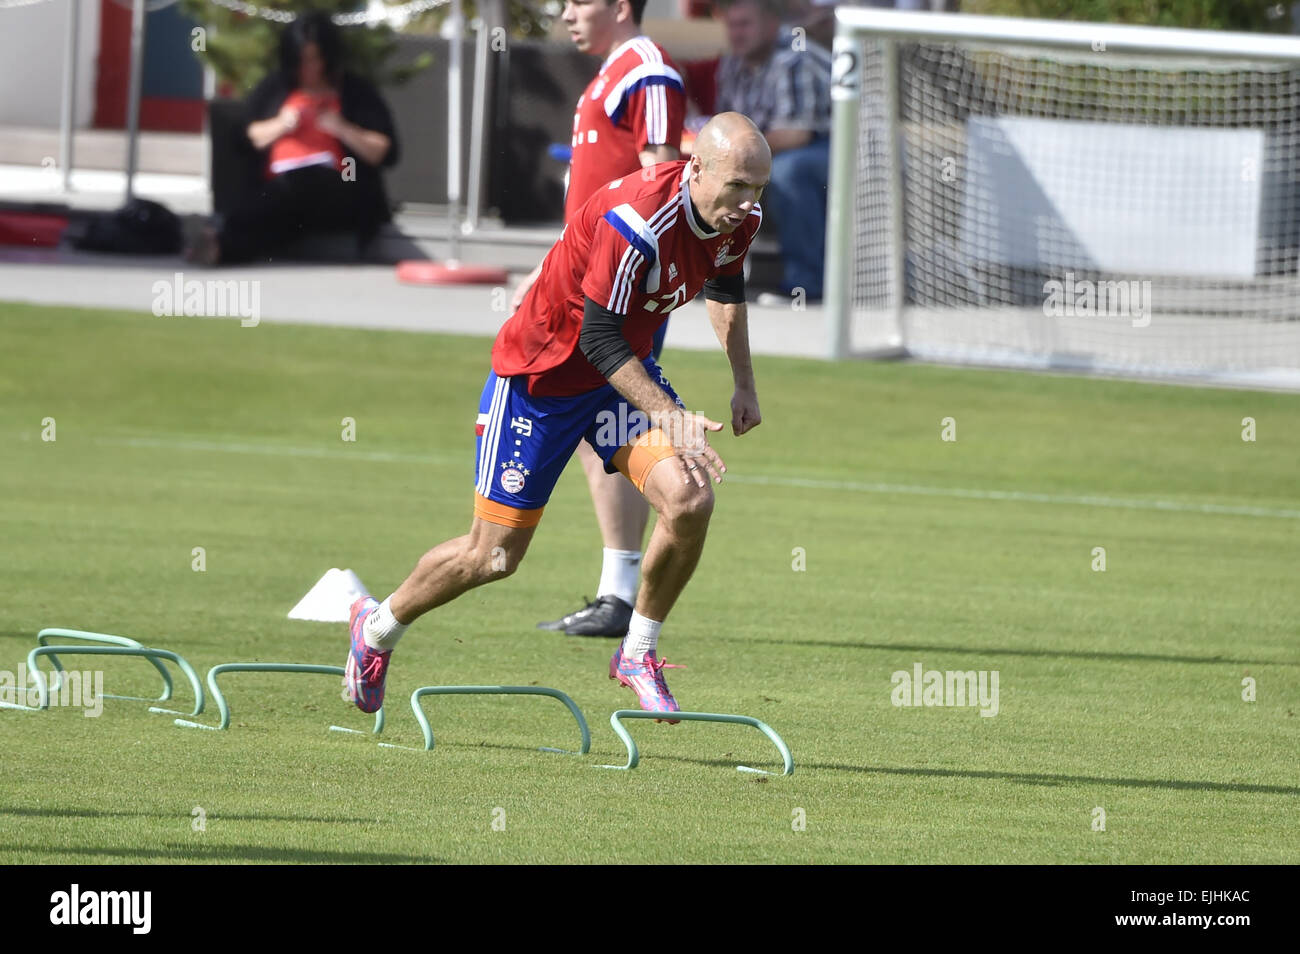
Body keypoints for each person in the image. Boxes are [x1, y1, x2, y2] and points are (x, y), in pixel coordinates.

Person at [343, 113, 771, 720]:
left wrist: (744, 384)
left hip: (616, 385)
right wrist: (672, 415)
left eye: (759, 189)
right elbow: (598, 338)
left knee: (690, 501)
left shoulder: (739, 220)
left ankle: (637, 653)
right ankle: (376, 628)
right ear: (696, 167)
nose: (749, 203)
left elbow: (726, 289)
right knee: (492, 557)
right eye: (738, 187)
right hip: (540, 382)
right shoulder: (638, 222)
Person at [513, 0, 688, 639]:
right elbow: (593, 199)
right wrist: (548, 267)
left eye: (579, 1)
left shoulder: (648, 72)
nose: (565, 13)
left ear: (619, 5)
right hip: (581, 281)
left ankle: (623, 593)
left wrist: (638, 282)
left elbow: (663, 178)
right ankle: (618, 591)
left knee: (609, 420)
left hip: (617, 292)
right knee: (602, 424)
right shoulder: (610, 73)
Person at [187, 12, 399, 265]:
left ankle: (221, 237)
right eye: (302, 60)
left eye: (316, 58)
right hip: (280, 191)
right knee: (285, 206)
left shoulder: (354, 90)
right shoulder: (276, 88)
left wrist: (341, 127)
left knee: (302, 182)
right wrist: (281, 124)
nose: (310, 67)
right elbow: (246, 135)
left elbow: (383, 151)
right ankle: (222, 249)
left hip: (342, 188)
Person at [714, 0, 832, 302]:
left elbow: (796, 135)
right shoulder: (732, 62)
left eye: (745, 24)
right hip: (778, 149)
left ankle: (806, 283)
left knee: (788, 172)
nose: (736, 33)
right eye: (732, 25)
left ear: (770, 26)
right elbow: (730, 125)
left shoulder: (794, 58)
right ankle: (708, 277)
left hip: (846, 152)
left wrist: (734, 152)